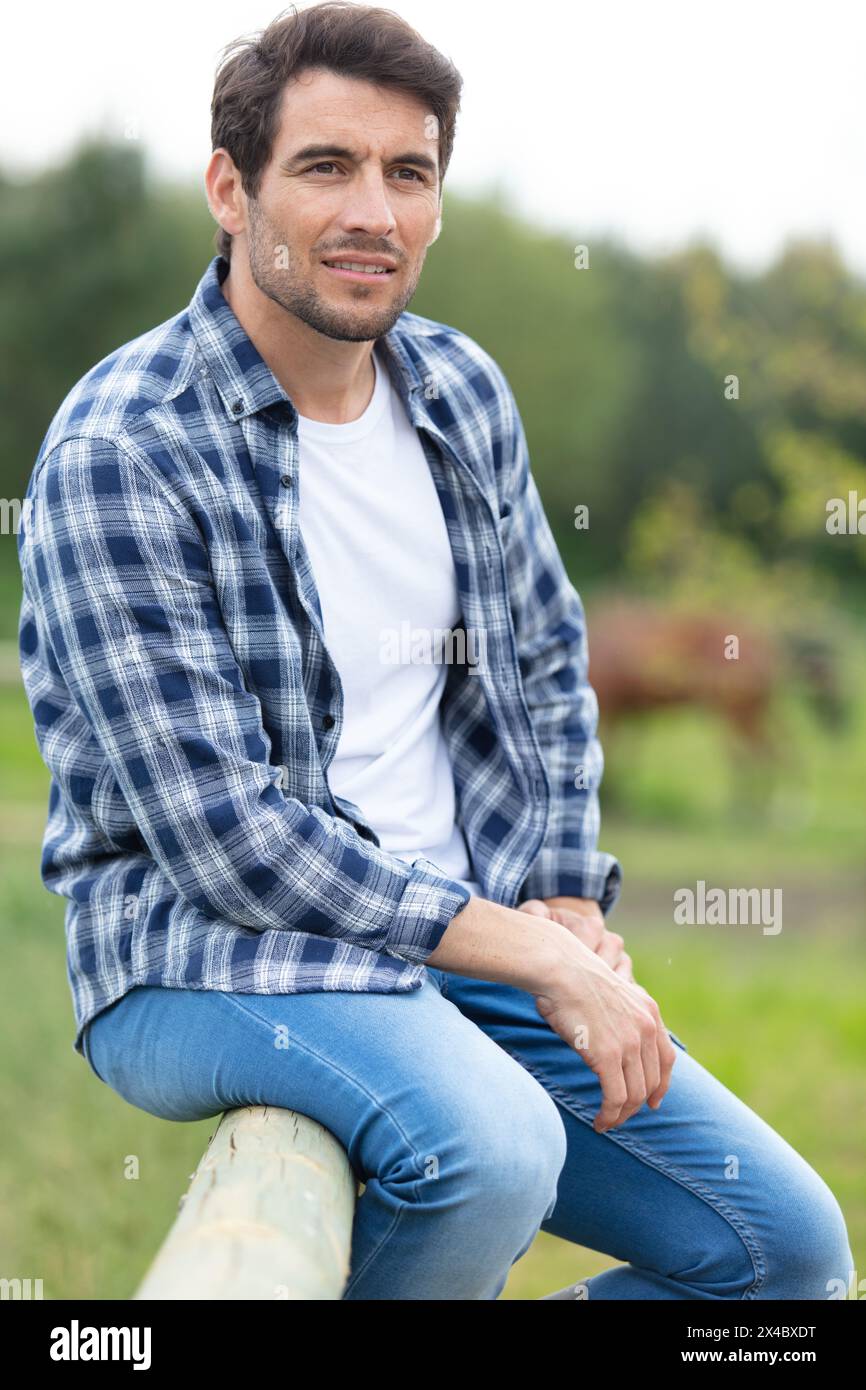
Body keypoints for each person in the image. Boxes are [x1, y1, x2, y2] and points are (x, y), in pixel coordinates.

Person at [17, 2, 853, 1300]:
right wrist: (529, 951)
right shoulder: (123, 449)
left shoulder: (459, 392)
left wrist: (566, 898)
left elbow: (543, 664)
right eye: (325, 166)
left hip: (467, 933)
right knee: (491, 1146)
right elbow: (225, 834)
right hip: (204, 945)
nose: (374, 211)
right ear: (228, 190)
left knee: (781, 1255)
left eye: (408, 172)